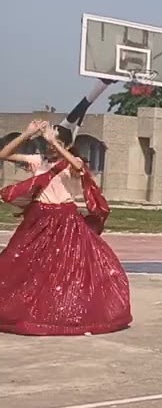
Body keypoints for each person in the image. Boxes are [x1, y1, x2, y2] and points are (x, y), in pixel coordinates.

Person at [0, 120, 132, 335]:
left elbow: (79, 167)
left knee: (67, 270)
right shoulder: (37, 161)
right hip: (38, 220)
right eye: (49, 143)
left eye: (57, 143)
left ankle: (58, 313)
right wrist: (27, 133)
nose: (51, 146)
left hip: (66, 222)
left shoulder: (71, 162)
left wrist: (57, 144)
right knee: (22, 263)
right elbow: (4, 154)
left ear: (67, 145)